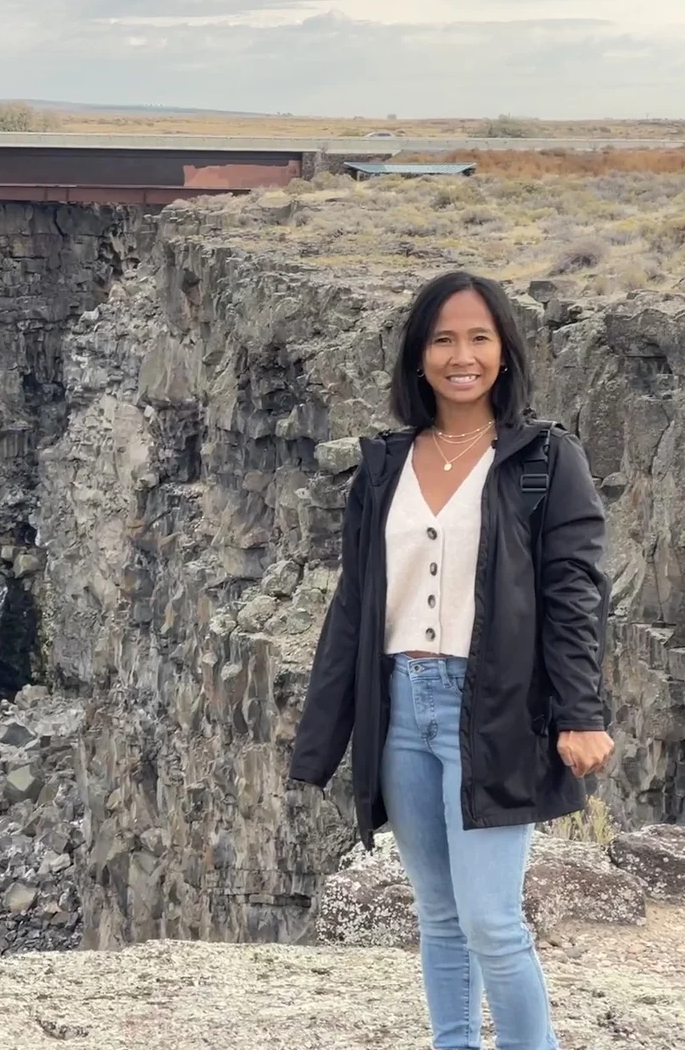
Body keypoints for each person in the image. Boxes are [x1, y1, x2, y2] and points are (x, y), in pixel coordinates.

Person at [288, 270, 615, 1050]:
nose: (460, 355)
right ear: (418, 354)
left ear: (504, 352)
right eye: (442, 338)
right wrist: (321, 736)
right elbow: (355, 607)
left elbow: (575, 594)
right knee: (436, 915)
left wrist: (580, 711)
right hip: (402, 707)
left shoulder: (544, 459)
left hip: (497, 709)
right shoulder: (383, 465)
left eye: (478, 337)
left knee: (492, 920)